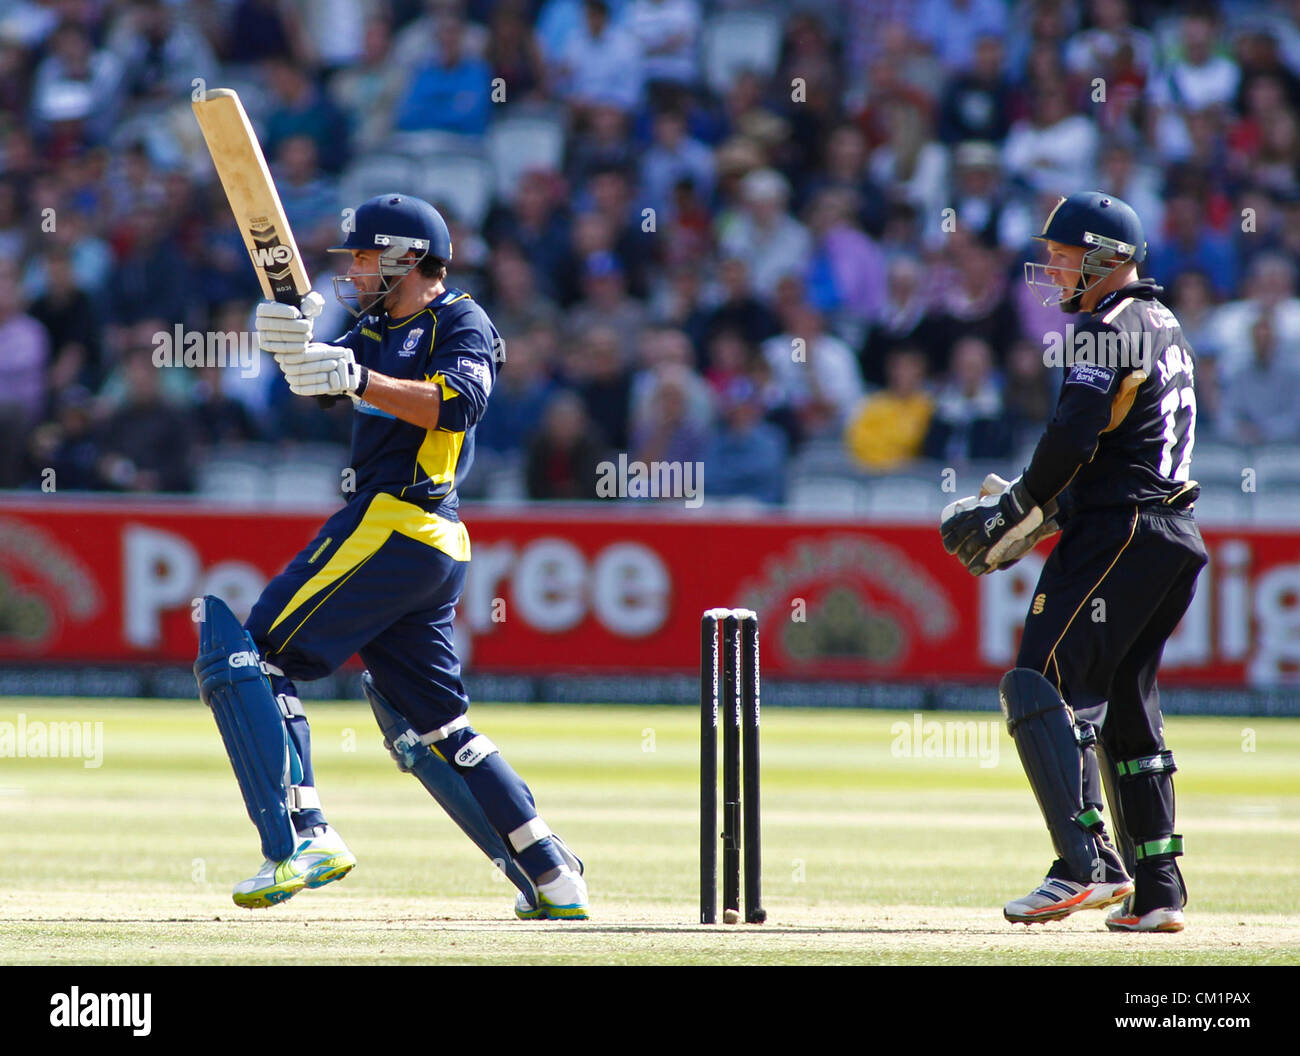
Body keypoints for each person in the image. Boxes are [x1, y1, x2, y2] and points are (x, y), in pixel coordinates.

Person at [197, 194, 587, 920]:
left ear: (409, 257)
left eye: (368, 257)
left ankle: (305, 834)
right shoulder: (373, 326)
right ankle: (551, 871)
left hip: (401, 519)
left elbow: (460, 403)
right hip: (421, 543)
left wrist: (357, 377)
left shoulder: (459, 319)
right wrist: (288, 347)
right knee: (440, 726)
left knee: (253, 655)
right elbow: (317, 390)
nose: (357, 270)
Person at [940, 191, 1204, 934]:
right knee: (1125, 700)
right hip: (1172, 533)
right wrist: (1048, 509)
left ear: (1108, 259)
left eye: (1064, 257)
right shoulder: (1164, 323)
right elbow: (1122, 443)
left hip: (1119, 531)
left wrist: (1016, 507)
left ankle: (1083, 866)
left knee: (1042, 681)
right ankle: (1157, 888)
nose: (1053, 270)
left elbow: (1071, 441)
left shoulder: (1107, 326)